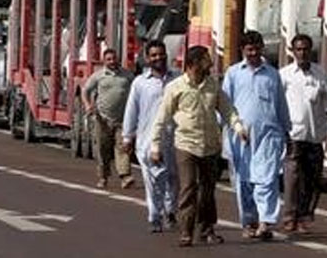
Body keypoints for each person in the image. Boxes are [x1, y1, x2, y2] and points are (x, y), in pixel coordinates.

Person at [150, 46, 248, 247]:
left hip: (210, 146)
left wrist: (238, 127)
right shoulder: (176, 87)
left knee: (208, 190)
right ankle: (186, 231)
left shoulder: (212, 85)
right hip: (186, 144)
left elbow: (227, 109)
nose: (210, 64)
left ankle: (207, 229)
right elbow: (162, 118)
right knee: (188, 188)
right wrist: (155, 145)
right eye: (206, 60)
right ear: (193, 64)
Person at [223, 30, 290, 240]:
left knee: (267, 179)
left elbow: (281, 104)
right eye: (249, 50)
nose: (253, 53)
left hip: (269, 134)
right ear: (242, 50)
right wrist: (225, 129)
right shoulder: (233, 73)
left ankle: (266, 222)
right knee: (244, 181)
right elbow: (224, 105)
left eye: (256, 49)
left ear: (262, 49)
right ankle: (249, 221)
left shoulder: (272, 74)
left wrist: (286, 130)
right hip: (240, 136)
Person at [122, 40, 179, 233]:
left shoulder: (177, 79)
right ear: (147, 58)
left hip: (175, 139)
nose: (158, 58)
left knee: (173, 178)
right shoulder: (140, 83)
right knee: (153, 180)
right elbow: (132, 110)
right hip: (148, 141)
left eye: (161, 54)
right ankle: (154, 216)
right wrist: (127, 137)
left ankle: (170, 211)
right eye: (154, 55)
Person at [279, 34, 327, 234]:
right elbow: (278, 103)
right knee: (292, 179)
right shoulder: (284, 75)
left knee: (312, 179)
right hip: (293, 134)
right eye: (298, 49)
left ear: (311, 51)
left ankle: (304, 217)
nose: (302, 53)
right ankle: (289, 217)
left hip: (315, 135)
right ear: (293, 52)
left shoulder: (320, 74)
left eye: (305, 49)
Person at [81, 48, 135, 189]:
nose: (112, 61)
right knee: (103, 150)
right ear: (104, 61)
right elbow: (85, 91)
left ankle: (125, 176)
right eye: (109, 59)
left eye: (114, 58)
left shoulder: (127, 76)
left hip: (122, 119)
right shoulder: (98, 76)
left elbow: (136, 92)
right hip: (102, 119)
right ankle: (103, 177)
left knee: (122, 148)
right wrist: (87, 105)